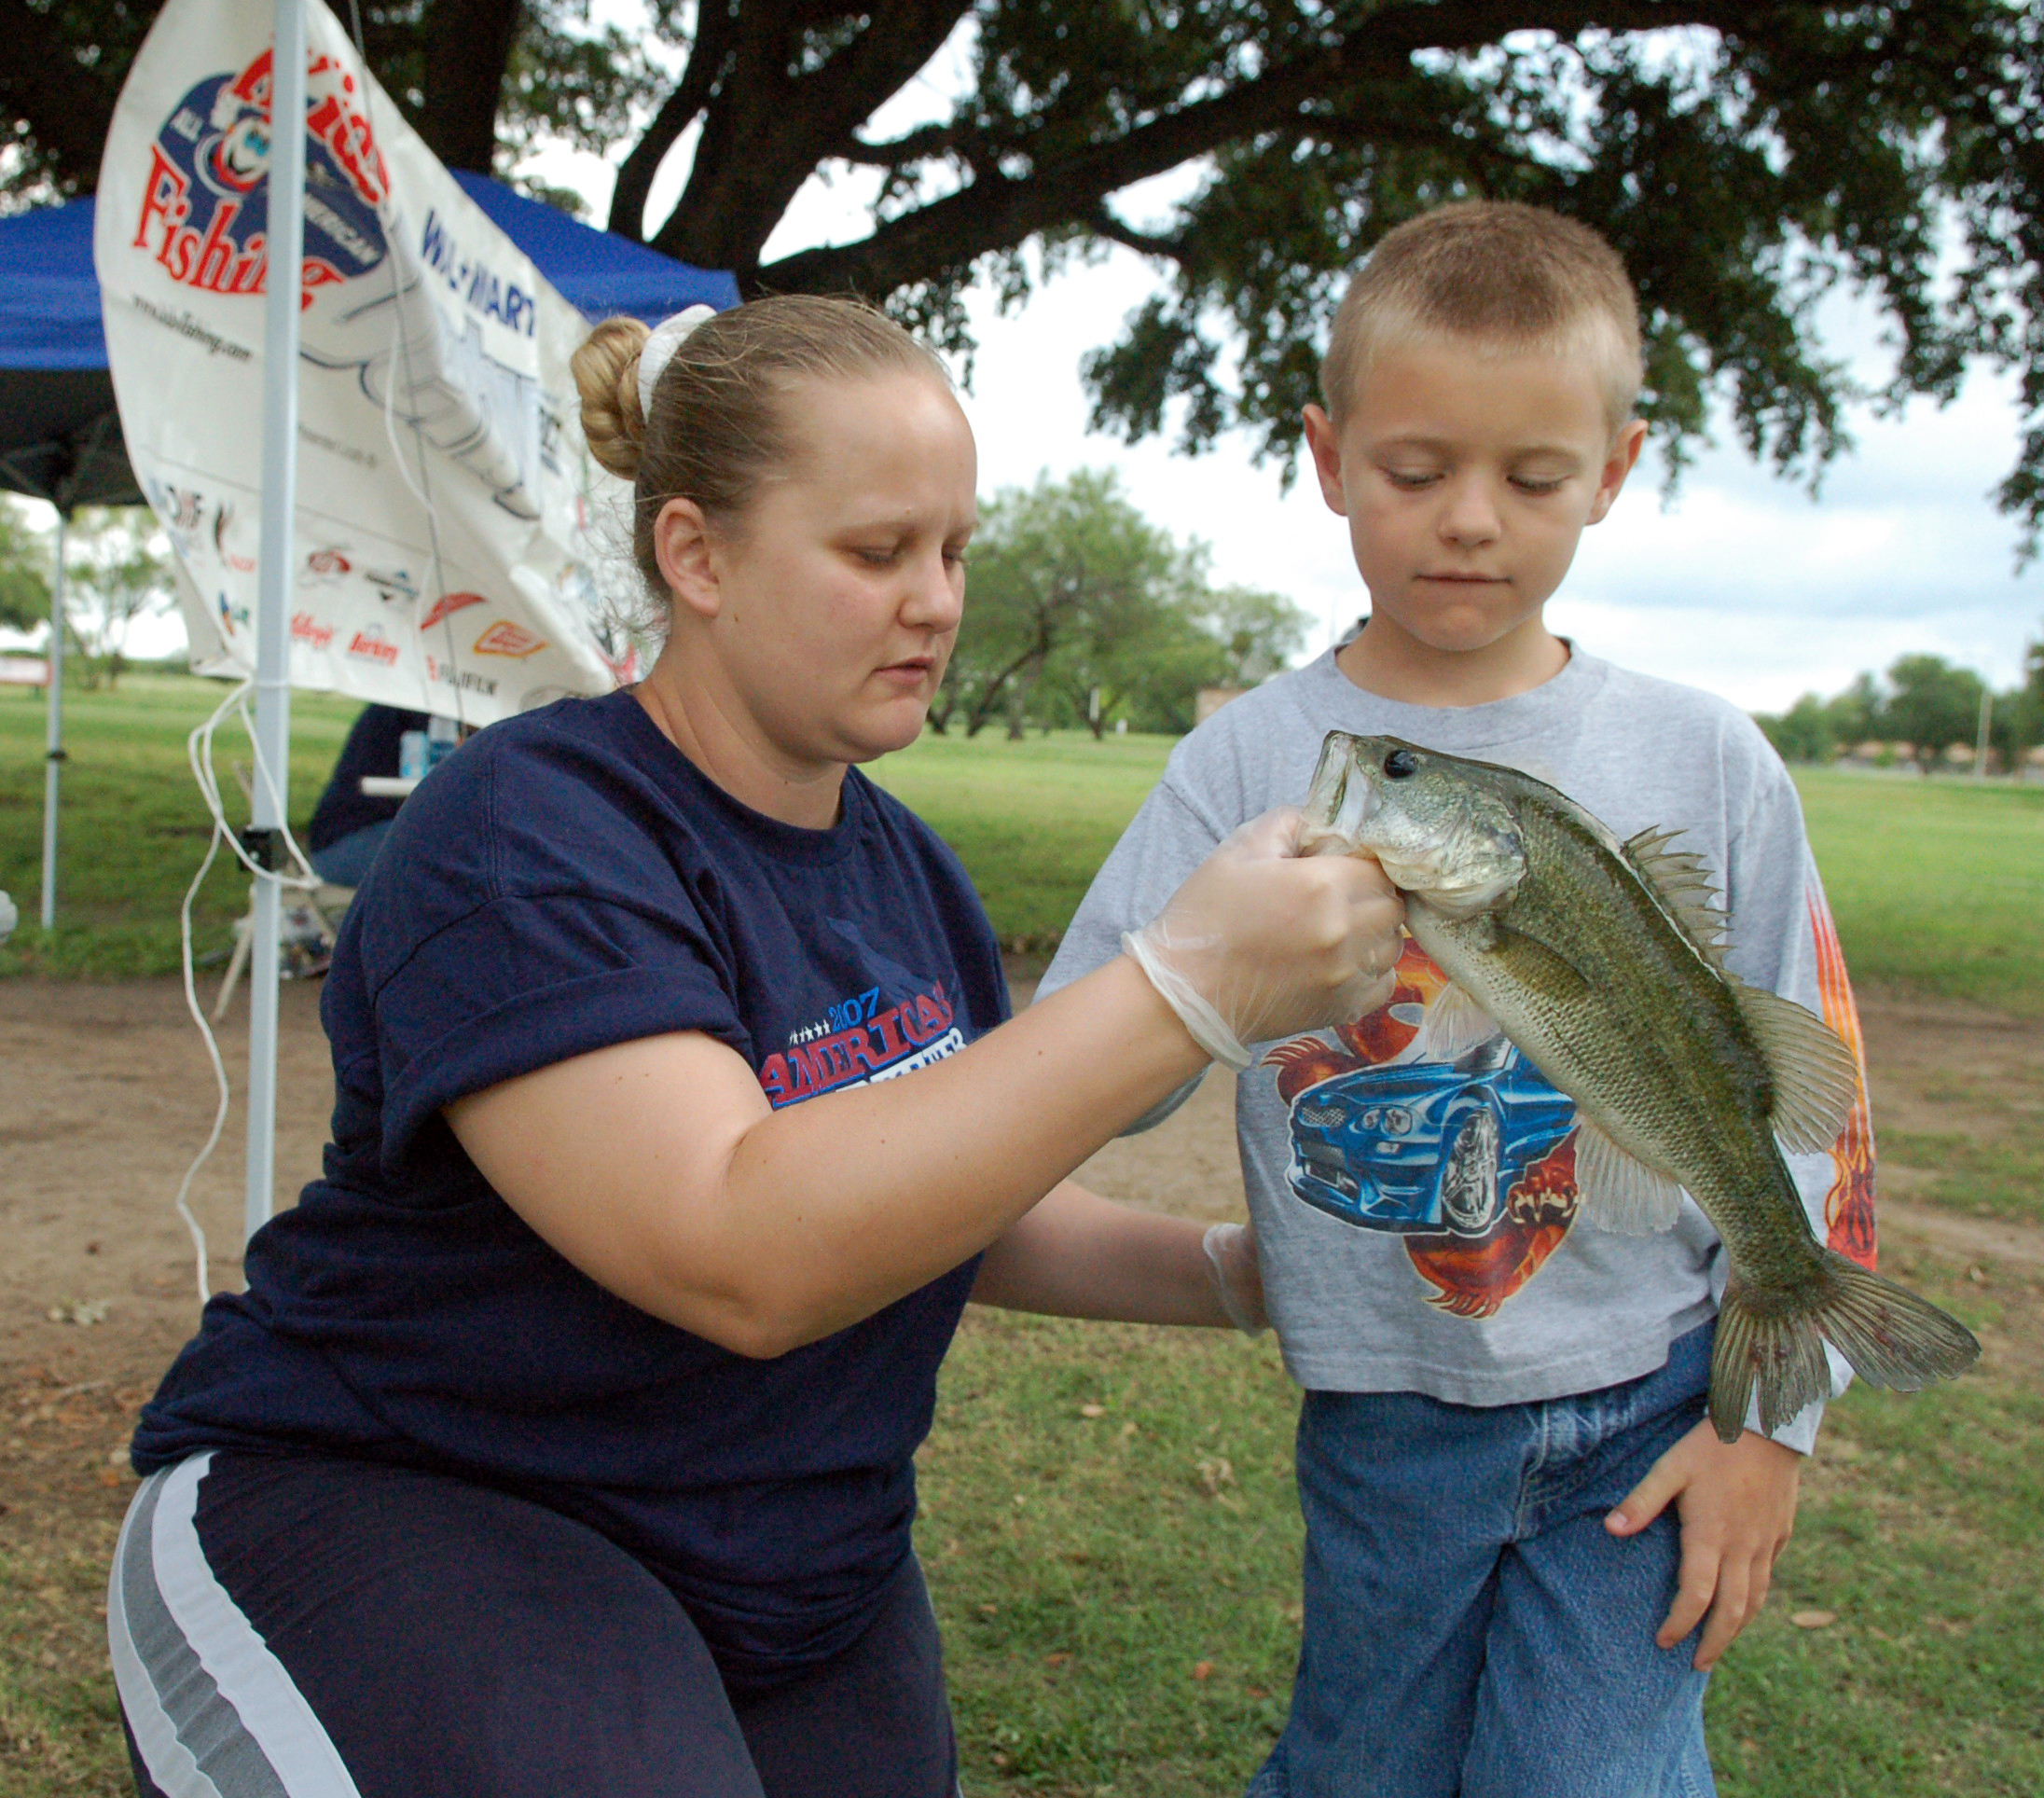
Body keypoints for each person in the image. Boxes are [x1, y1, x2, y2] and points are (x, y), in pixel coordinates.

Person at [106, 294, 1406, 1798]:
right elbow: (738, 1242)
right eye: (875, 552)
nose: (935, 601)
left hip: (787, 1566)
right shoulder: (526, 832)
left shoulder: (909, 872)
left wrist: (1249, 1272)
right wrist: (1187, 983)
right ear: (695, 554)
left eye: (953, 551)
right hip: (398, 1494)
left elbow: (943, 1197)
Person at [1038, 201, 1878, 1798]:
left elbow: (1818, 1116)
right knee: (1361, 1769)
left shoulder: (1708, 758)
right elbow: (1099, 1060)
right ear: (1325, 453)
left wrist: (1770, 1427)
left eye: (1533, 476)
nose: (1468, 521)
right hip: (1381, 1414)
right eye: (1414, 471)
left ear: (1616, 472)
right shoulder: (1236, 764)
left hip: (1653, 1394)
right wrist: (1210, 968)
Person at [303, 702, 428, 885]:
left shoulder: (397, 702)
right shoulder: (414, 707)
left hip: (345, 837)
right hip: (345, 842)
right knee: (445, 858)